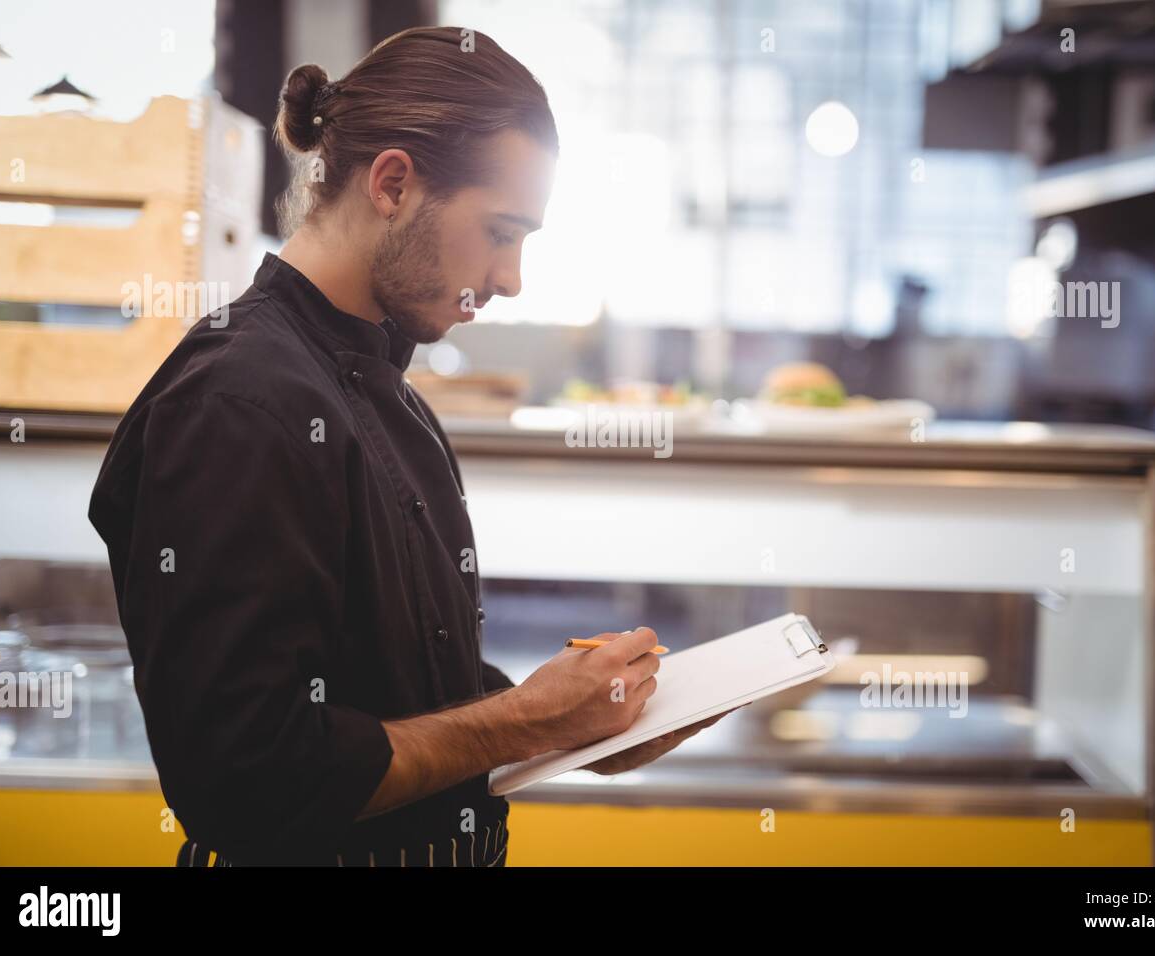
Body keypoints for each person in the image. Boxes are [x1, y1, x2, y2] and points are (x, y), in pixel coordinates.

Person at [88, 25, 727, 867]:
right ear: (391, 182)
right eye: (502, 232)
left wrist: (582, 722)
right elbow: (245, 776)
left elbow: (395, 688)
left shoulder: (383, 383)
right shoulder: (239, 401)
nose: (512, 279)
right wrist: (529, 717)